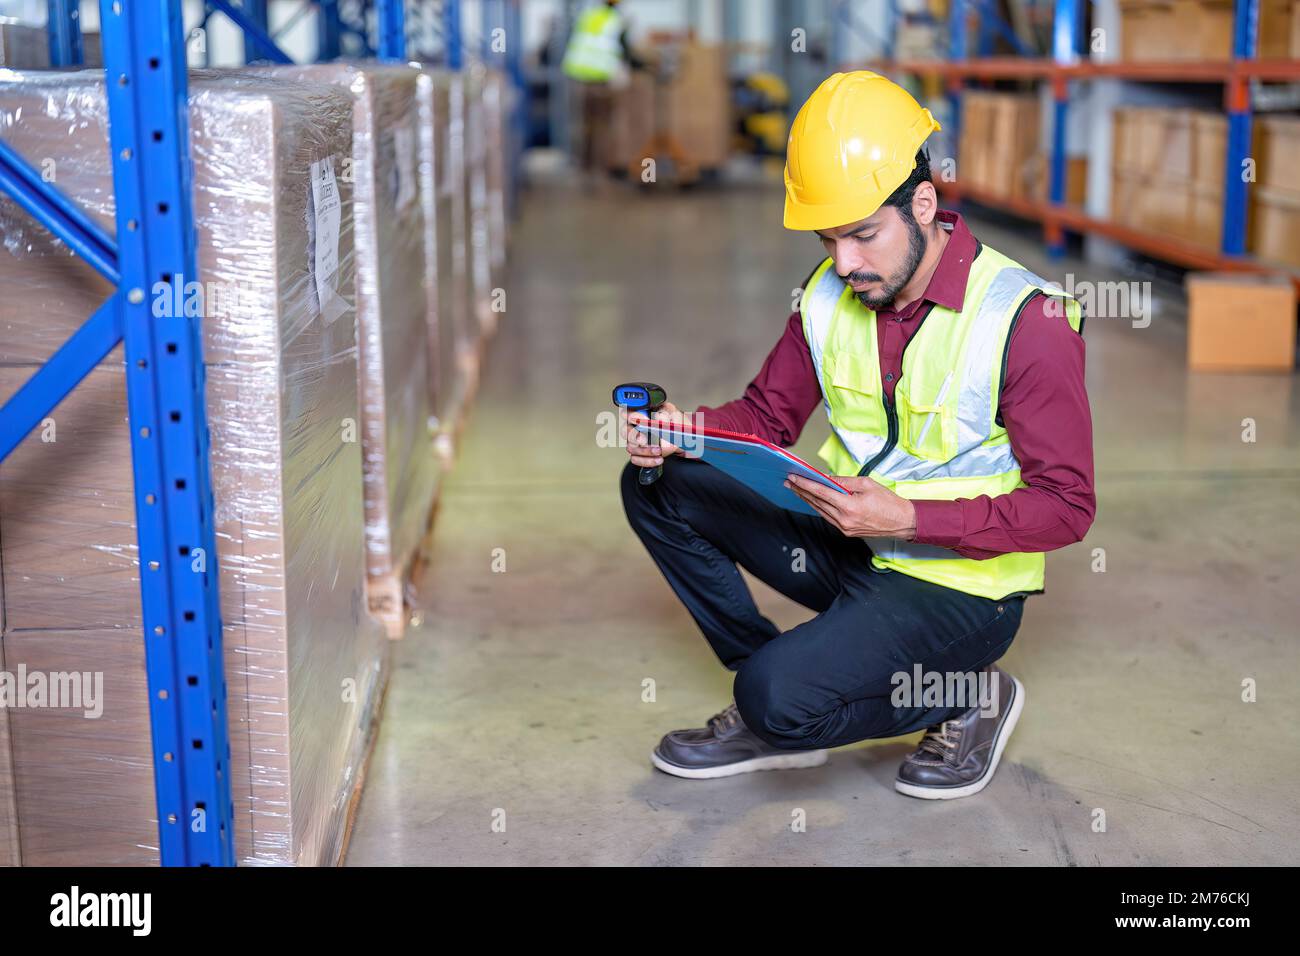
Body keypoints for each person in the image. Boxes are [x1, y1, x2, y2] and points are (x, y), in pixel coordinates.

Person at [619, 71, 1095, 799]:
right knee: (661, 482)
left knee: (778, 701)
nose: (844, 263)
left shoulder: (1028, 321)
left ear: (925, 203)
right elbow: (766, 416)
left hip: (958, 588)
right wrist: (686, 431)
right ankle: (771, 686)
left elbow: (1067, 507)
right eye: (829, 238)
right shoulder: (829, 294)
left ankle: (966, 695)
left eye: (864, 235)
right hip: (851, 539)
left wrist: (907, 517)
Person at [561, 0, 645, 173]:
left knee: (584, 125)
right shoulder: (616, 21)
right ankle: (602, 166)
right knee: (603, 126)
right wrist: (644, 65)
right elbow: (626, 51)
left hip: (577, 78)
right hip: (599, 81)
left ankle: (583, 164)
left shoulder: (588, 16)